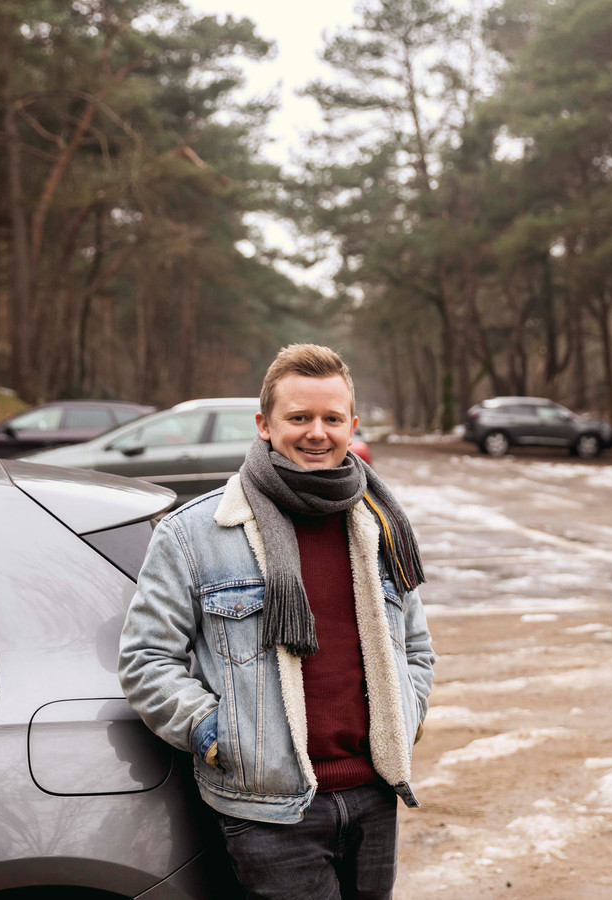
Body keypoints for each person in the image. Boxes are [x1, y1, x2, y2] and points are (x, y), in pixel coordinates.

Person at [120, 344, 434, 899]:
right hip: (268, 809)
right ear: (265, 425)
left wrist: (407, 713)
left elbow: (415, 647)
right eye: (299, 417)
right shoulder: (196, 533)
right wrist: (217, 733)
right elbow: (146, 659)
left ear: (351, 426)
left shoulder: (381, 527)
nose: (317, 432)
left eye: (332, 419)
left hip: (374, 795)